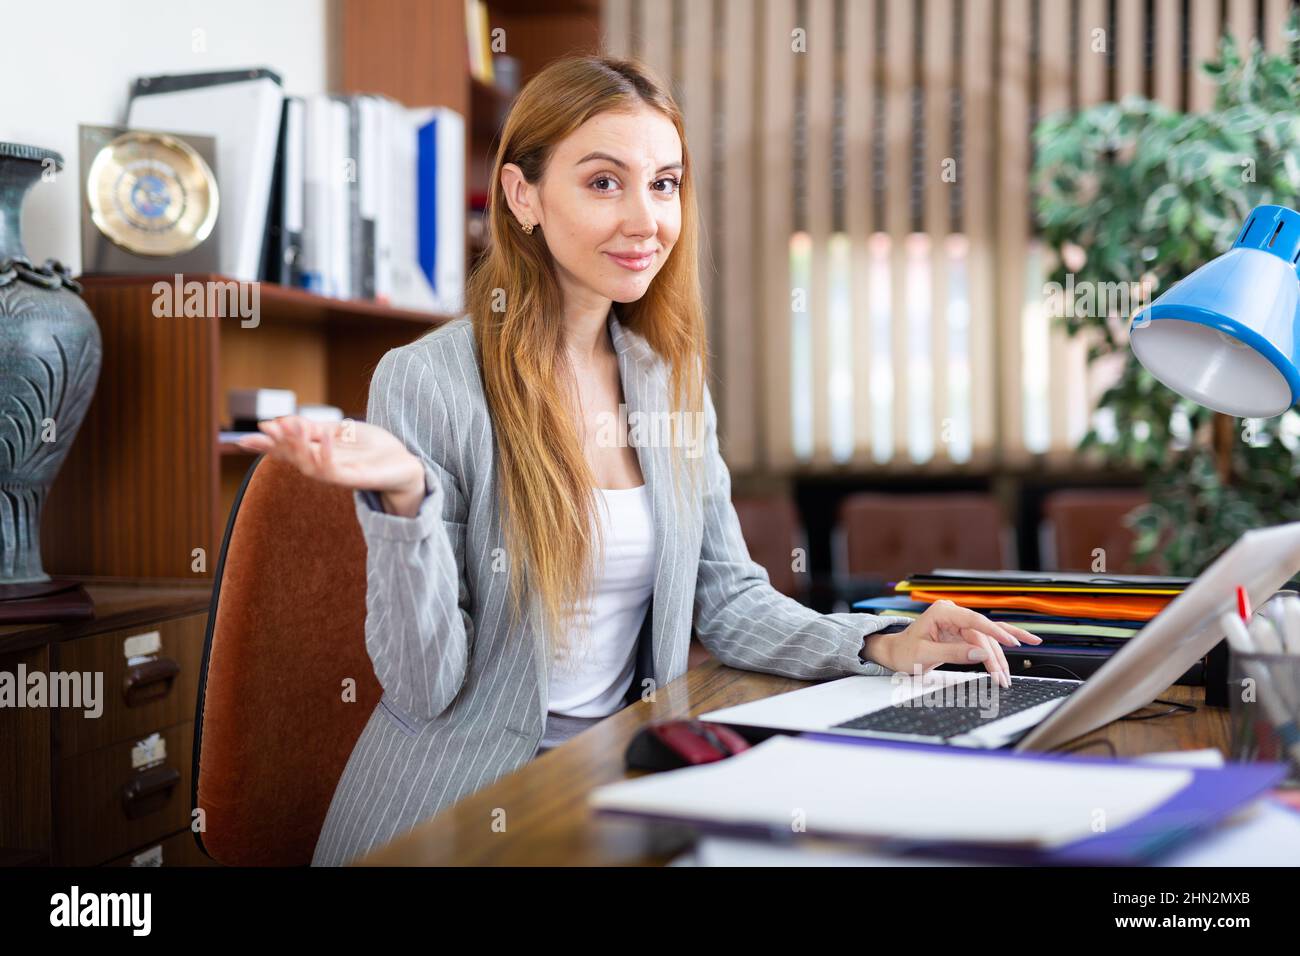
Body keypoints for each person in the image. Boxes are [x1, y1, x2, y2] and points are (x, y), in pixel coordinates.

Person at [240, 55, 1041, 867]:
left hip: (615, 782)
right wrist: (407, 502)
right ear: (523, 196)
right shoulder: (428, 380)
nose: (645, 219)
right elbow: (423, 686)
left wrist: (880, 644)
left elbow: (727, 600)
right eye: (602, 182)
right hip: (456, 807)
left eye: (664, 183)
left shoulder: (669, 380)